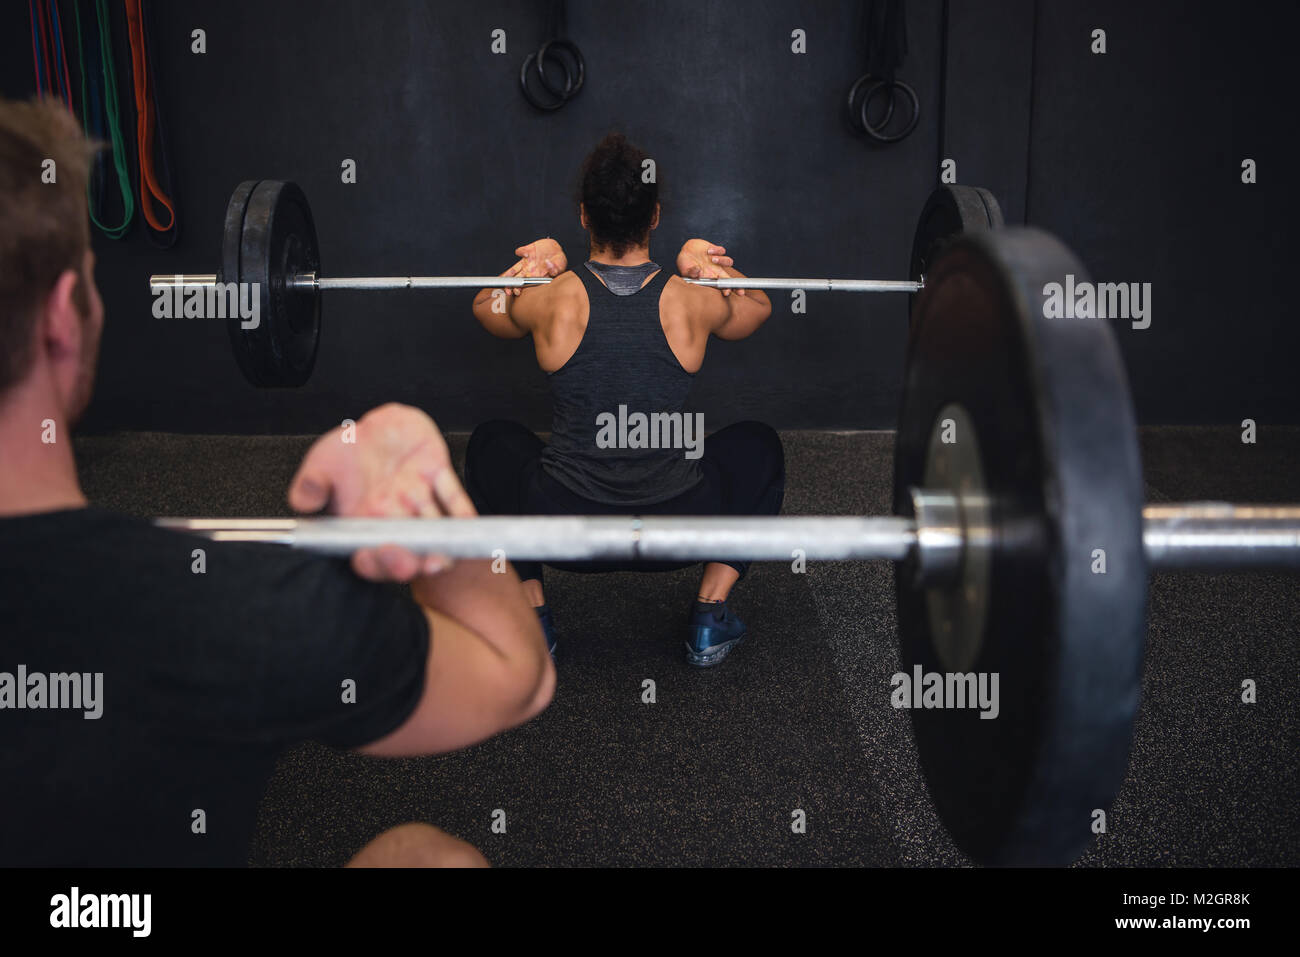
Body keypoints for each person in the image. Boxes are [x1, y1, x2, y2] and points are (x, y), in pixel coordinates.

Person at [0, 97, 554, 867]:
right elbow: (517, 676)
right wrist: (430, 500)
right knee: (430, 861)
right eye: (91, 278)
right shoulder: (218, 602)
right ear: (65, 317)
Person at [468, 133, 786, 667]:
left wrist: (535, 265)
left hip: (563, 523)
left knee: (489, 446)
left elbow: (484, 305)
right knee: (760, 447)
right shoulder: (691, 299)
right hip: (678, 524)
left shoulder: (552, 298)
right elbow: (759, 305)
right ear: (655, 216)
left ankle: (533, 619)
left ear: (585, 215)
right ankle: (709, 616)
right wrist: (704, 265)